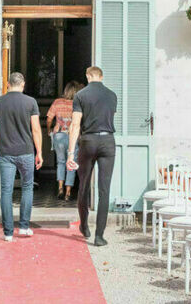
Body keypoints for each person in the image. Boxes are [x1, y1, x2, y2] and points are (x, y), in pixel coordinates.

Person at [0, 71, 43, 241]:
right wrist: (39, 151)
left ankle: (8, 232)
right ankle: (24, 227)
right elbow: (35, 129)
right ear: (23, 84)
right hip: (26, 152)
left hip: (5, 153)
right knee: (27, 187)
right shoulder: (30, 102)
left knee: (6, 191)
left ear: (8, 84)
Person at [66, 65, 118, 246]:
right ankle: (99, 236)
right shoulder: (112, 95)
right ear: (101, 77)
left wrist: (70, 153)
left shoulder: (81, 95)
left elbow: (75, 125)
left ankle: (84, 226)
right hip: (108, 142)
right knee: (104, 190)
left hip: (88, 141)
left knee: (84, 186)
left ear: (88, 76)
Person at [46, 82, 80, 201]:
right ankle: (68, 192)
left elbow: (49, 118)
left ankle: (60, 188)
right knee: (71, 164)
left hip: (59, 135)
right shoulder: (78, 103)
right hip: (72, 137)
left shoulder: (57, 102)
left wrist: (49, 129)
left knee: (60, 162)